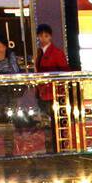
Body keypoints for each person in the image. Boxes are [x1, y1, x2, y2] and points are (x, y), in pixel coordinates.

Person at [34, 23, 70, 154]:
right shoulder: (40, 52)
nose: (43, 39)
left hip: (54, 95)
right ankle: (51, 150)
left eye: (46, 36)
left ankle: (57, 151)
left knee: (56, 126)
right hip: (43, 94)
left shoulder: (56, 53)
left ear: (50, 37)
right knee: (47, 126)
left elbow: (64, 73)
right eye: (41, 36)